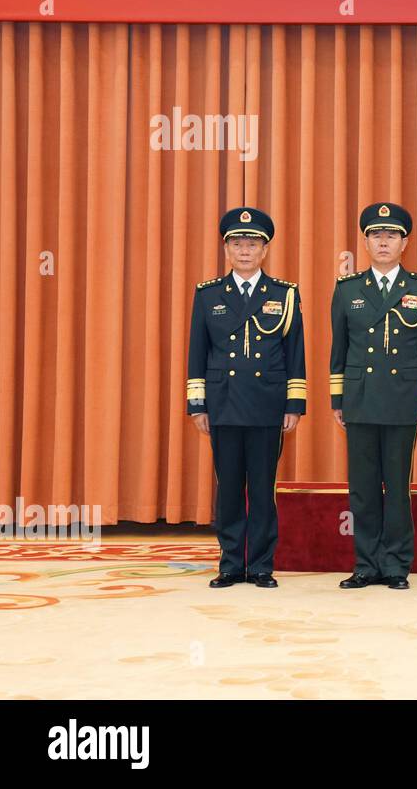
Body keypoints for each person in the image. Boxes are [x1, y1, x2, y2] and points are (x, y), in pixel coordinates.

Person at [187, 207, 305, 588]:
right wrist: (197, 404)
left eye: (252, 243)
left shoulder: (284, 294)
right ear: (226, 249)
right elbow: (197, 353)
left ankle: (261, 565)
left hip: (267, 404)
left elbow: (295, 352)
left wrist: (294, 403)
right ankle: (230, 563)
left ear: (264, 249)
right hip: (223, 403)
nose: (244, 250)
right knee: (229, 488)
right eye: (236, 243)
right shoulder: (208, 295)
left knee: (262, 488)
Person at [330, 202, 417, 591]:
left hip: (402, 398)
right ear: (365, 242)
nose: (383, 242)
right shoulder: (347, 289)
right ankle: (365, 564)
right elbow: (338, 349)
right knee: (361, 487)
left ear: (404, 243)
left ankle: (395, 564)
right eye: (376, 235)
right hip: (359, 398)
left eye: (391, 235)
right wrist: (337, 399)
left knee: (396, 486)